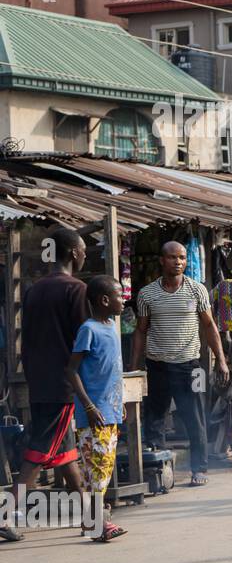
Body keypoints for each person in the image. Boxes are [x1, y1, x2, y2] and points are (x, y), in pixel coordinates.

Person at [1, 228, 90, 543]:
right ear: (73, 253)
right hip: (62, 383)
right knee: (39, 451)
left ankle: (91, 518)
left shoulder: (34, 289)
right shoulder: (76, 289)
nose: (84, 255)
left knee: (64, 451)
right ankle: (6, 514)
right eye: (82, 250)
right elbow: (84, 341)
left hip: (38, 380)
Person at [132, 241, 229, 487]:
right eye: (173, 257)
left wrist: (221, 359)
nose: (178, 262)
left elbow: (209, 325)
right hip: (158, 366)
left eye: (182, 258)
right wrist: (133, 368)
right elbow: (141, 330)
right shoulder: (146, 294)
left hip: (191, 367)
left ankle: (199, 469)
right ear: (162, 260)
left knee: (195, 417)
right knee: (155, 420)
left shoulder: (197, 290)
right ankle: (159, 472)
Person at [65, 276, 127, 542]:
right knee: (97, 468)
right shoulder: (88, 330)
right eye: (119, 295)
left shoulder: (111, 325)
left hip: (110, 411)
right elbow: (71, 371)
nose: (123, 300)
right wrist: (89, 406)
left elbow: (112, 370)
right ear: (104, 300)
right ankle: (98, 524)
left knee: (103, 467)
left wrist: (119, 403)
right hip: (94, 414)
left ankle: (92, 520)